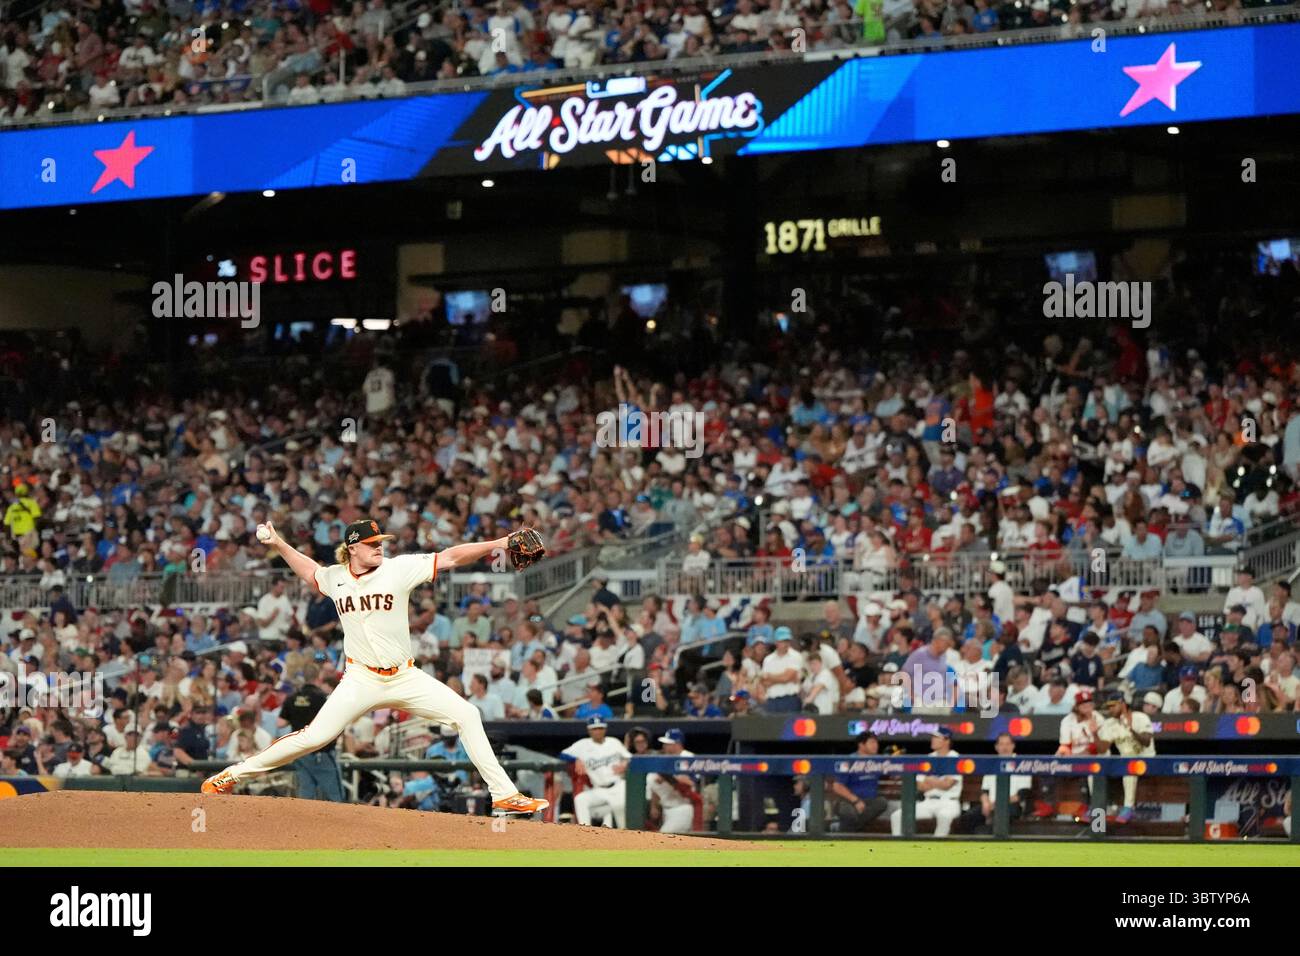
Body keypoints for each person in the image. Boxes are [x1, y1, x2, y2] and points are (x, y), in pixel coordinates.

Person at [200, 518, 549, 816]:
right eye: (371, 543)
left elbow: (451, 556)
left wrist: (502, 542)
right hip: (361, 678)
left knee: (467, 714)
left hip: (405, 677)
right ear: (352, 548)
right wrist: (278, 543)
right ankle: (233, 775)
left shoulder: (398, 569)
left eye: (380, 541)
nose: (378, 547)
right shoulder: (336, 577)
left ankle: (503, 793)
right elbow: (309, 571)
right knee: (315, 737)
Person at [278, 666, 343, 801]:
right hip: (320, 750)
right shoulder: (321, 698)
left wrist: (298, 718)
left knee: (306, 792)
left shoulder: (292, 697)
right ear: (318, 677)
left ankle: (304, 821)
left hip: (300, 750)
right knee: (335, 795)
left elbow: (280, 723)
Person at [1097, 688, 1155, 824]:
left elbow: (1146, 742)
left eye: (1113, 705)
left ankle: (1129, 807)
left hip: (1147, 759)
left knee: (1130, 765)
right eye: (1109, 707)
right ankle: (1097, 810)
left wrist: (1130, 729)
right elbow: (1103, 748)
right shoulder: (1109, 724)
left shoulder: (1140, 717)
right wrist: (1094, 734)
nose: (1110, 710)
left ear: (1123, 704)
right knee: (1096, 767)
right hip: (1126, 761)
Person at [890, 728, 962, 837]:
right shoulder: (929, 758)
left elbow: (947, 785)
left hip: (949, 802)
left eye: (936, 737)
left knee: (944, 816)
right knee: (897, 816)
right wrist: (939, 782)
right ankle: (897, 846)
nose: (932, 740)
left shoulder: (955, 757)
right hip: (928, 801)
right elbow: (921, 786)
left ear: (947, 741)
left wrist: (929, 780)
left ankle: (937, 849)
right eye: (932, 737)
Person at [562, 716, 630, 827]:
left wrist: (625, 763)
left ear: (605, 729)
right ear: (589, 730)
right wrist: (576, 759)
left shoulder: (614, 742)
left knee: (621, 819)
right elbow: (563, 755)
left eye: (600, 728)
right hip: (599, 790)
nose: (597, 731)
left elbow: (630, 758)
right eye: (594, 728)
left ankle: (627, 838)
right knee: (580, 799)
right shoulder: (582, 745)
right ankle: (585, 831)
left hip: (618, 786)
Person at [828, 732, 888, 832]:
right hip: (847, 801)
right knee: (849, 814)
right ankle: (847, 833)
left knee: (882, 802)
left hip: (869, 802)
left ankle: (839, 828)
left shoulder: (878, 761)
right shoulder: (848, 761)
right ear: (861, 745)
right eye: (872, 742)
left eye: (876, 743)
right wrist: (856, 801)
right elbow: (837, 786)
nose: (876, 746)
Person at [647, 729, 696, 833]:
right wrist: (654, 806)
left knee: (663, 840)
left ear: (678, 744)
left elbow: (691, 783)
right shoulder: (664, 759)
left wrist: (669, 778)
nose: (664, 746)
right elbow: (653, 786)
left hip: (682, 808)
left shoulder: (688, 757)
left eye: (668, 743)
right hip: (666, 809)